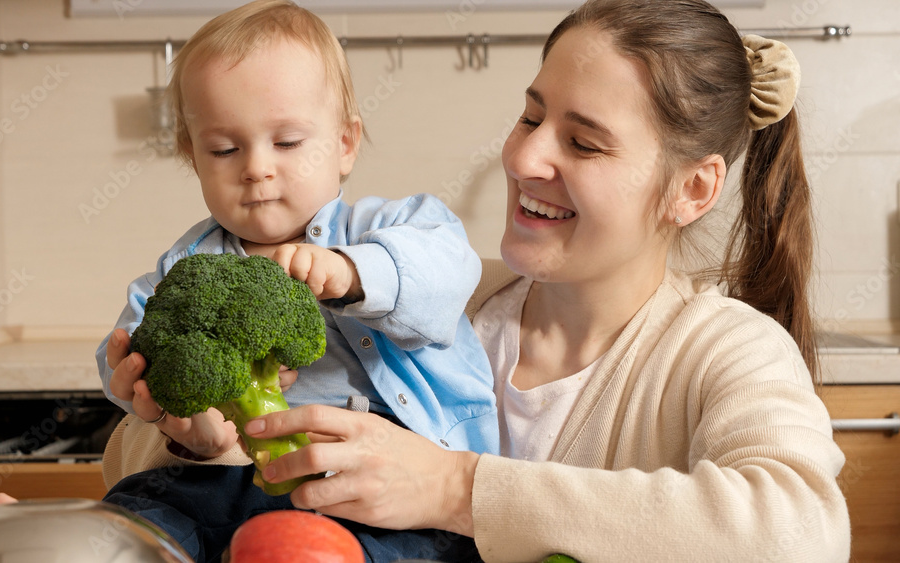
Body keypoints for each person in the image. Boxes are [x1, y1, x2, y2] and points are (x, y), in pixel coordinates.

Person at [106, 0, 852, 561]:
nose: (526, 161)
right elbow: (124, 459)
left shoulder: (725, 349)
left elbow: (801, 532)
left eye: (583, 142)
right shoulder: (430, 299)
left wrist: (457, 488)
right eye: (531, 119)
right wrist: (200, 442)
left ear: (692, 190)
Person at [96, 1, 497, 561]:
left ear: (345, 145)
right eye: (224, 149)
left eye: (286, 142)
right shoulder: (185, 268)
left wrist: (354, 272)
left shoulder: (385, 228)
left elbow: (450, 270)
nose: (256, 167)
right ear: (193, 158)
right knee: (132, 520)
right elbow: (136, 336)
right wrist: (154, 388)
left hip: (380, 481)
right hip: (226, 478)